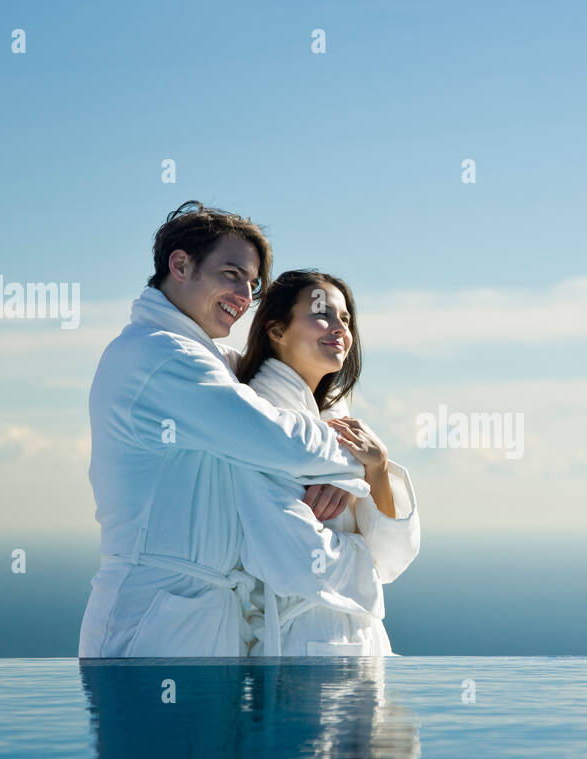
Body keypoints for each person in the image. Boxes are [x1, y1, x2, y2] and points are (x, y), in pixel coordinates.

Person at [79, 203, 387, 658]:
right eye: (231, 274)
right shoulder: (161, 356)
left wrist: (341, 471)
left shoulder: (205, 360)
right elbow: (272, 436)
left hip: (202, 620)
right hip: (153, 622)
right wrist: (355, 464)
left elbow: (277, 396)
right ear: (180, 265)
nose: (245, 295)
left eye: (253, 283)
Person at [231, 270, 420, 656]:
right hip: (300, 649)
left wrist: (376, 470)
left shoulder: (347, 434)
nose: (340, 329)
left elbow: (393, 557)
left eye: (346, 319)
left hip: (362, 643)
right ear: (276, 330)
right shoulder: (257, 420)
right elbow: (293, 559)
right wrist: (357, 523)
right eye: (322, 314)